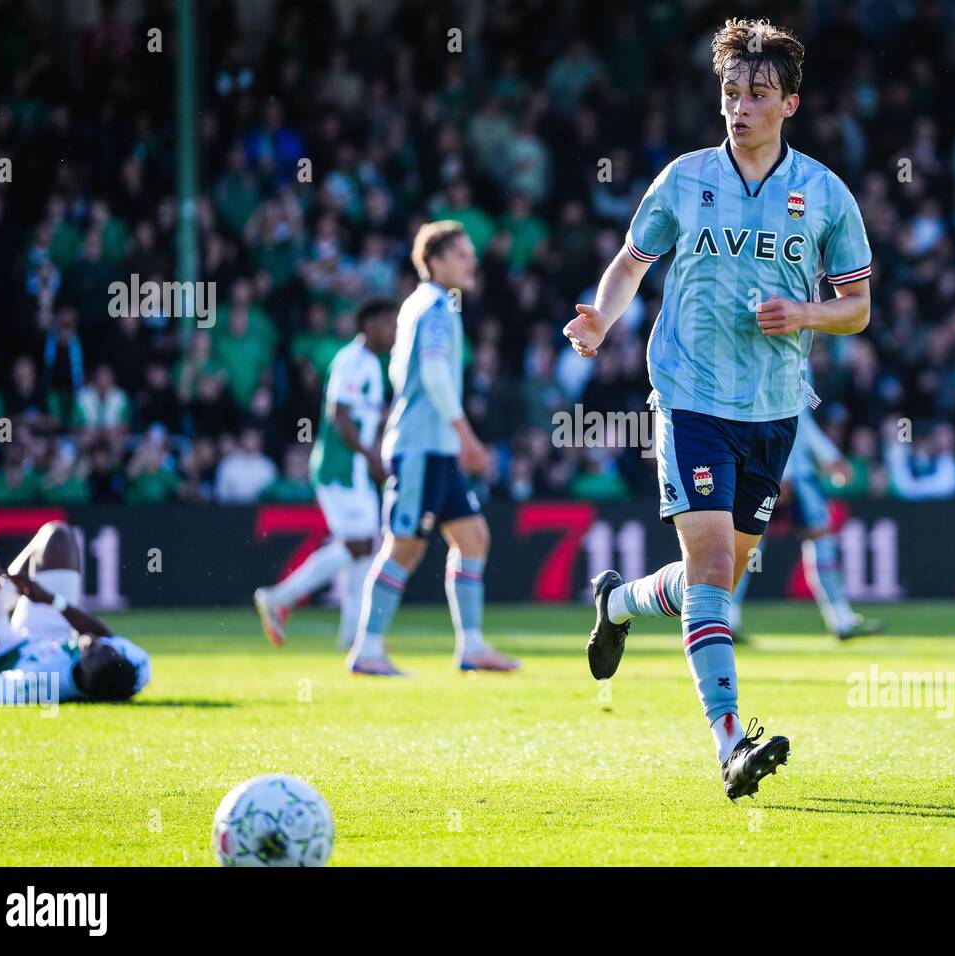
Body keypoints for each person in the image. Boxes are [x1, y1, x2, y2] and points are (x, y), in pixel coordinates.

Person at [562, 19, 872, 800]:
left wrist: (805, 316)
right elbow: (632, 262)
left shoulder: (826, 194)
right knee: (708, 569)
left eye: (757, 95)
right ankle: (731, 740)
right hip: (690, 393)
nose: (738, 106)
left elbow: (859, 306)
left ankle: (621, 601)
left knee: (717, 579)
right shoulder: (685, 178)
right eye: (730, 92)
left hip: (772, 411)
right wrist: (601, 318)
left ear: (790, 103)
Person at [345, 222, 519, 675]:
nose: (471, 261)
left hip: (435, 450)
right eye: (461, 254)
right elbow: (436, 375)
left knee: (473, 537)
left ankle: (473, 645)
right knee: (404, 548)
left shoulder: (425, 305)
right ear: (435, 262)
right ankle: (367, 649)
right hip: (422, 449)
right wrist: (465, 434)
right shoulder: (436, 308)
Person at [254, 299, 396, 649]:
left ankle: (353, 636)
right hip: (339, 467)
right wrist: (370, 456)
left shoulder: (374, 366)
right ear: (369, 325)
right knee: (359, 543)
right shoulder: (350, 360)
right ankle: (279, 597)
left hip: (356, 468)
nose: (393, 331)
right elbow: (339, 415)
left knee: (362, 550)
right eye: (389, 324)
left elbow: (366, 419)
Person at [729, 408, 885, 641]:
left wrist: (829, 456)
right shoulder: (786, 371)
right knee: (813, 540)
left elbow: (799, 419)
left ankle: (726, 620)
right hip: (788, 473)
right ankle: (842, 620)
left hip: (773, 468)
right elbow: (777, 413)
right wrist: (788, 469)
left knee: (753, 544)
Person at [0, 522, 150, 705]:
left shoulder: (42, 681)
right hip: (54, 635)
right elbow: (109, 637)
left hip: (9, 652)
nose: (94, 640)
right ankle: (7, 584)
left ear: (86, 671)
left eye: (92, 649)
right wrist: (50, 599)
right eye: (106, 646)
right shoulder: (137, 666)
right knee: (58, 536)